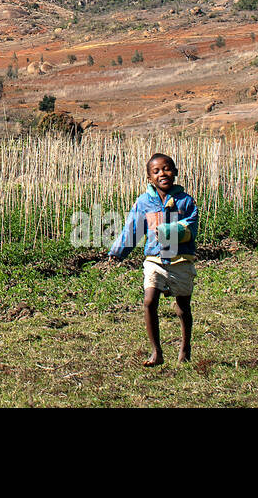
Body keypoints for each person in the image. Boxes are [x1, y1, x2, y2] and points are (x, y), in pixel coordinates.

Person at [106, 153, 198, 366]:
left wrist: (167, 231)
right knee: (149, 302)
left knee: (183, 306)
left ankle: (185, 348)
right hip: (154, 259)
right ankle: (156, 352)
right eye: (156, 171)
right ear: (149, 178)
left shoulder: (185, 201)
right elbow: (132, 229)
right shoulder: (144, 201)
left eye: (166, 169)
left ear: (175, 172)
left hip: (180, 259)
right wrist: (117, 252)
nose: (162, 174)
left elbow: (191, 226)